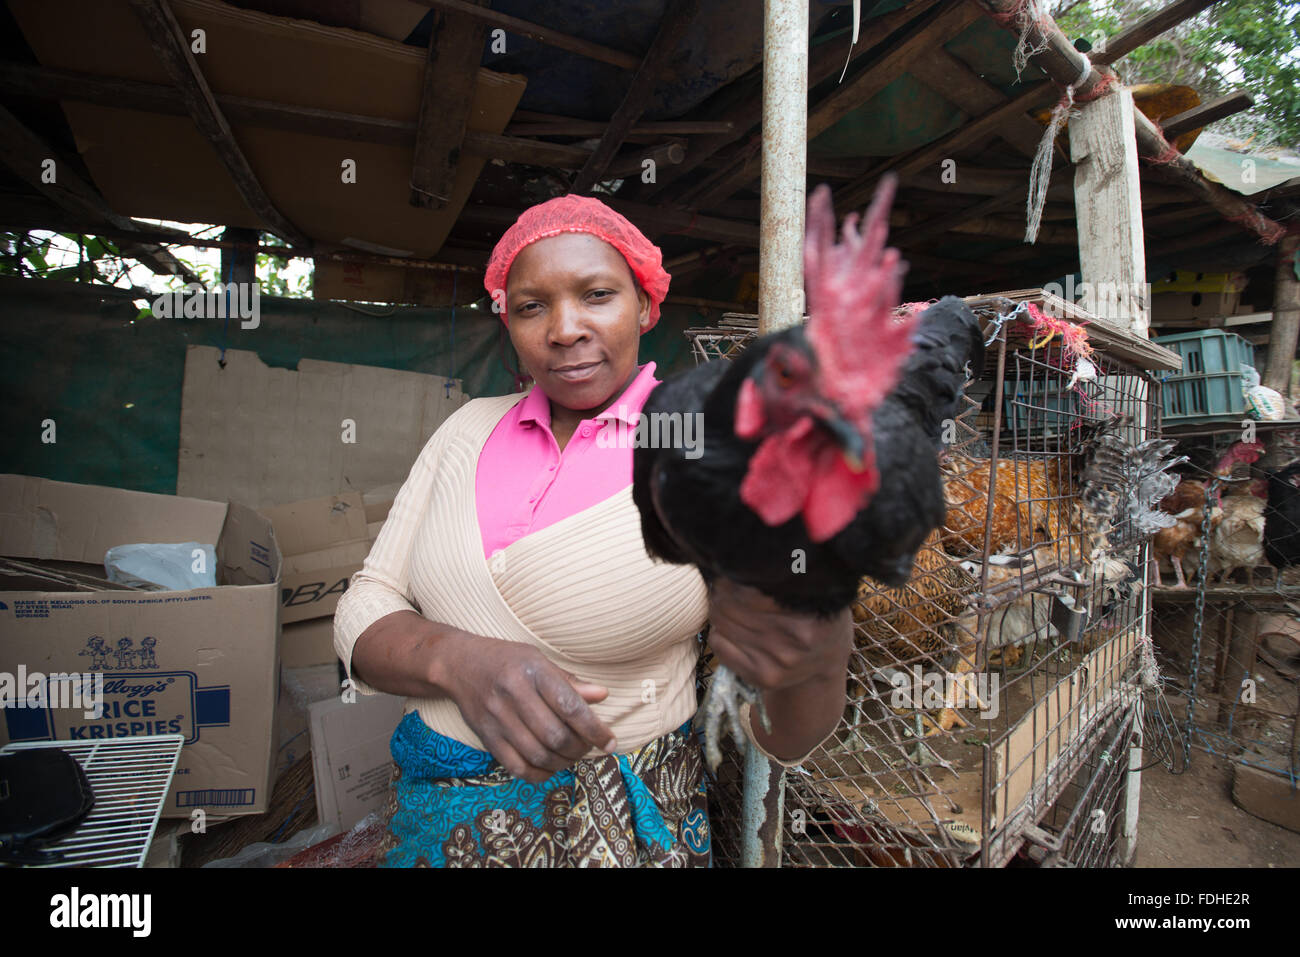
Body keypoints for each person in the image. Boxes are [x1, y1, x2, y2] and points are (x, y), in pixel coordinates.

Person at [333, 194, 852, 868]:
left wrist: (820, 661)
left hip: (628, 833)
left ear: (645, 304)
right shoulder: (464, 432)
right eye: (531, 306)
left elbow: (777, 734)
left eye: (597, 294)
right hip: (438, 828)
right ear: (508, 322)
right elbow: (365, 601)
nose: (564, 328)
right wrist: (456, 660)